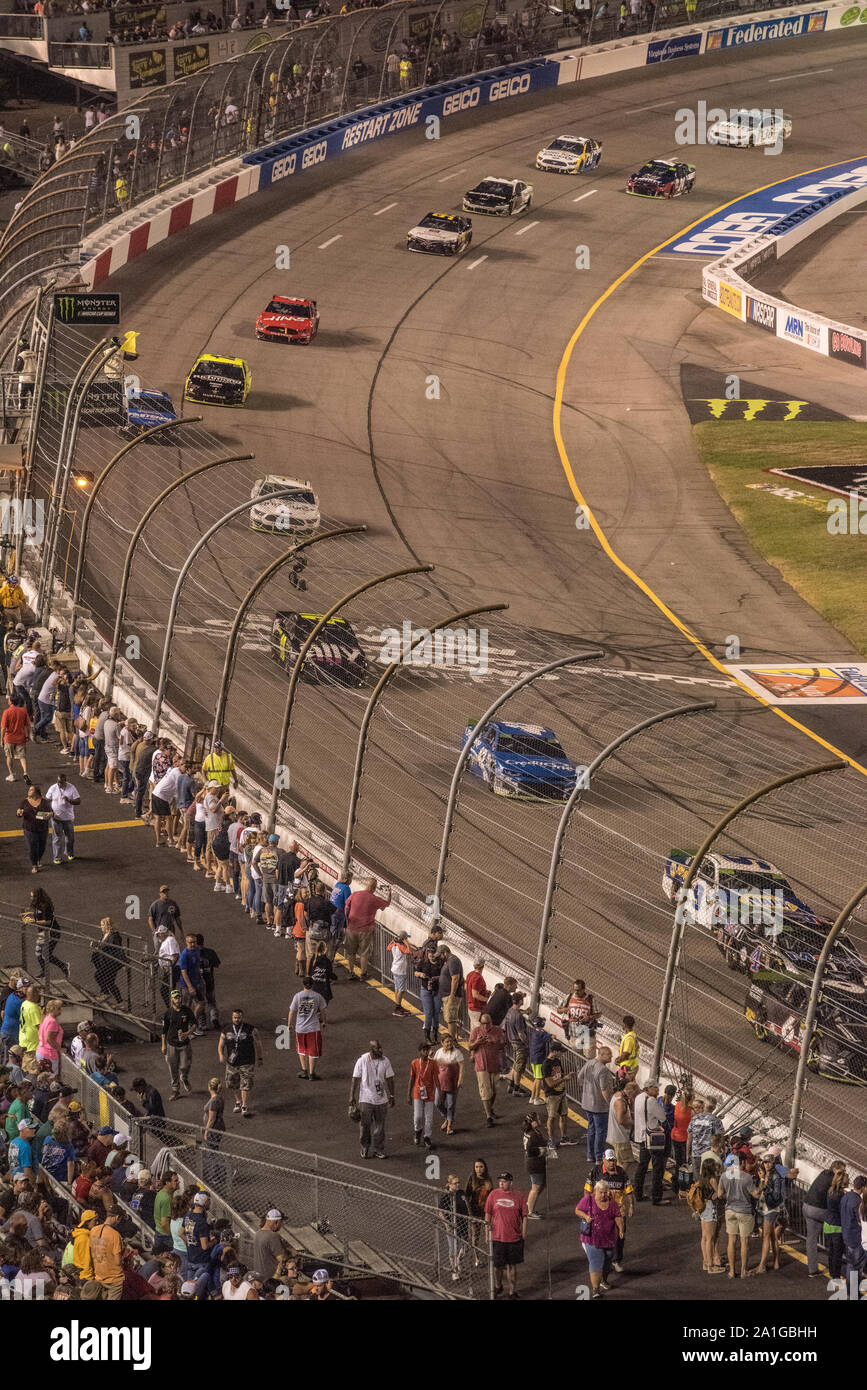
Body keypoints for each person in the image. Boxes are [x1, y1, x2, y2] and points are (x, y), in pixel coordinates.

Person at [585, 1148, 634, 1272]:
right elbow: (587, 1190)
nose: (612, 1163)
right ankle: (600, 1259)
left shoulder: (621, 1173)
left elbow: (628, 1191)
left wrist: (631, 1206)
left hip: (618, 1211)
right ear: (603, 1160)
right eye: (609, 1161)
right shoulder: (595, 1171)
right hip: (600, 1211)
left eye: (613, 1160)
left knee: (620, 1236)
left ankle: (616, 1260)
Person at [576, 1178, 624, 1298]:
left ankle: (603, 1280)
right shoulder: (588, 1200)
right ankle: (595, 1289)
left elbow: (618, 1217)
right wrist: (586, 1216)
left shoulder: (613, 1204)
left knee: (607, 1262)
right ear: (595, 1191)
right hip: (592, 1239)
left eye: (605, 1192)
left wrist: (621, 1229)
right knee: (596, 1262)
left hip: (609, 1239)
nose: (603, 1194)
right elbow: (577, 1210)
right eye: (601, 1192)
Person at [485, 1171, 527, 1299]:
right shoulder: (493, 1194)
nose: (501, 1183)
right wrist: (487, 1233)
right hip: (497, 1237)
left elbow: (524, 1216)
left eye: (504, 1181)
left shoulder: (519, 1196)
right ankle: (498, 1286)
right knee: (498, 1266)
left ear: (510, 1182)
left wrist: (524, 1232)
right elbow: (488, 1213)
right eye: (500, 1181)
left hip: (513, 1237)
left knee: (512, 1266)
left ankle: (512, 1291)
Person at [802, 1158, 847, 1278]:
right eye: (841, 1172)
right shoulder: (833, 1179)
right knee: (839, 1222)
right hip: (817, 1209)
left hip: (806, 1205)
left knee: (811, 1239)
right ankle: (838, 1255)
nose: (843, 1174)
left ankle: (812, 1270)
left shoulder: (823, 1173)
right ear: (835, 1169)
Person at [350, 1040, 394, 1160]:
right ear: (372, 1049)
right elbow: (355, 1079)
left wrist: (392, 1096)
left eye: (381, 1048)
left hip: (381, 1099)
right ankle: (365, 1147)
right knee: (365, 1125)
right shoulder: (362, 1060)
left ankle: (378, 1149)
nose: (381, 1050)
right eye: (378, 1048)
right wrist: (351, 1097)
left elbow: (390, 1079)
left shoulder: (385, 1061)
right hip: (366, 1098)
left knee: (380, 1126)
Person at [754, 1150, 796, 1275]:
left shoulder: (776, 1175)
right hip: (766, 1207)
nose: (767, 1165)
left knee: (766, 1236)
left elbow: (776, 1195)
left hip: (771, 1208)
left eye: (769, 1162)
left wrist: (788, 1173)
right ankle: (776, 1261)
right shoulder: (765, 1174)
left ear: (773, 1163)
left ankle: (762, 1265)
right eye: (765, 1162)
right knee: (772, 1237)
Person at [344, 876, 391, 981]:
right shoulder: (374, 899)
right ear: (374, 888)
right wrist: (389, 893)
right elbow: (387, 904)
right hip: (365, 930)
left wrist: (347, 920)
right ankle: (363, 973)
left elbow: (346, 905)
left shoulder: (355, 894)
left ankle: (350, 972)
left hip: (351, 927)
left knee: (351, 952)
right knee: (364, 953)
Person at [219, 1009, 262, 1118]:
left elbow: (258, 1043)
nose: (237, 1019)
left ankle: (244, 1105)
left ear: (242, 1017)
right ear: (232, 1017)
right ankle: (238, 1102)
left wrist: (260, 1058)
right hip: (232, 1063)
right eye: (235, 1017)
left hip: (247, 1062)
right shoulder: (226, 1030)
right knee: (232, 1084)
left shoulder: (251, 1029)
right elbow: (220, 1045)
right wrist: (220, 1054)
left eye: (239, 1017)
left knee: (245, 1084)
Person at [722, 1156, 759, 1280]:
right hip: (744, 1211)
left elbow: (720, 1193)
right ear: (742, 1162)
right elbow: (755, 1194)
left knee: (731, 1241)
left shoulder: (724, 1176)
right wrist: (762, 1186)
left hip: (730, 1210)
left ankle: (732, 1271)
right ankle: (743, 1271)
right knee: (744, 1242)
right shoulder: (747, 1177)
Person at [576, 1044, 614, 1162]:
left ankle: (590, 1155)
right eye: (609, 1055)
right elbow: (604, 1090)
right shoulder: (603, 1070)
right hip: (599, 1105)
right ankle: (598, 1156)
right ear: (601, 1054)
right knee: (600, 1131)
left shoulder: (589, 1063)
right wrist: (610, 1103)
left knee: (591, 1129)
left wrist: (588, 1088)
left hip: (587, 1102)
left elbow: (579, 1077)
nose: (611, 1057)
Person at [633, 1078, 668, 1205]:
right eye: (655, 1088)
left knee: (642, 1166)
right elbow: (662, 1117)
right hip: (653, 1138)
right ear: (648, 1088)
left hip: (641, 1137)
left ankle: (638, 1193)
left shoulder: (638, 1098)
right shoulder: (651, 1100)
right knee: (657, 1167)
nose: (658, 1090)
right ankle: (657, 1197)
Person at [468, 1013, 506, 1128]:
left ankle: (490, 1108)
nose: (485, 1026)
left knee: (494, 1090)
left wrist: (495, 1041)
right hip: (481, 1065)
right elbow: (470, 1046)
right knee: (485, 1092)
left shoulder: (498, 1030)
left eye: (487, 1023)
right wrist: (477, 1042)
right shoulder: (476, 1031)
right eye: (483, 1023)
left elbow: (503, 1045)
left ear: (491, 1023)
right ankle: (488, 1116)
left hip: (494, 1064)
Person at [23, 888, 69, 980]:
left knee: (45, 954)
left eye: (32, 896)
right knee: (38, 953)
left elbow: (47, 921)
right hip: (42, 932)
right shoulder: (38, 905)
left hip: (52, 933)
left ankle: (63, 966)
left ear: (38, 897)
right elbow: (38, 913)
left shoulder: (45, 906)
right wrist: (29, 914)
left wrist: (34, 922)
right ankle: (44, 972)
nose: (31, 898)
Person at [690, 1158, 725, 1274]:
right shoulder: (712, 1180)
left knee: (704, 1237)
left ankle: (705, 1262)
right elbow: (720, 1194)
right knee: (710, 1238)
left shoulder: (701, 1179)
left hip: (703, 1208)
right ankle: (711, 1266)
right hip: (710, 1208)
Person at [161, 989, 196, 1101]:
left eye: (179, 997)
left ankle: (184, 1078)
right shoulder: (168, 1013)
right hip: (171, 1044)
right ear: (171, 999)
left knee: (185, 1066)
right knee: (173, 1068)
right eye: (175, 997)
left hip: (184, 1044)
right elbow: (164, 1030)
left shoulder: (186, 1011)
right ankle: (175, 1090)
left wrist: (187, 1033)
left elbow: (195, 1024)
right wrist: (163, 1045)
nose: (178, 999)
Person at [438, 1175, 471, 1282]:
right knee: (453, 1249)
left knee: (465, 1247)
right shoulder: (446, 1196)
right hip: (452, 1225)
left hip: (463, 1223)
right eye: (455, 1183)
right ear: (449, 1184)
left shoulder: (461, 1193)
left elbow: (466, 1205)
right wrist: (447, 1224)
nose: (457, 1185)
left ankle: (458, 1262)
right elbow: (440, 1212)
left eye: (458, 1183)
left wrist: (469, 1217)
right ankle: (454, 1271)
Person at [407, 1040, 438, 1150]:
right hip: (417, 1092)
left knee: (429, 1117)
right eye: (423, 1050)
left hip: (430, 1093)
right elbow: (412, 1078)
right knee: (418, 1116)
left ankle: (427, 1137)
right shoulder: (414, 1063)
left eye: (427, 1050)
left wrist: (440, 1092)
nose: (425, 1052)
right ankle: (417, 1130)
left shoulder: (433, 1063)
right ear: (419, 1051)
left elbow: (436, 1079)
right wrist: (408, 1094)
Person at [89, 1208, 125, 1300]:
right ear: (117, 1217)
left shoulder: (93, 1230)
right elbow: (117, 1261)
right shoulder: (115, 1235)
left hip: (99, 1275)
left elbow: (91, 1251)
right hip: (114, 1279)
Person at [44, 771, 80, 864]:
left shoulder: (71, 788)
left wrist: (69, 800)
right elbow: (47, 800)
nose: (59, 784)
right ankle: (57, 858)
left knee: (70, 838)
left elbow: (78, 801)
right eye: (58, 782)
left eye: (61, 782)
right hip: (56, 818)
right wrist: (49, 811)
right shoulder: (53, 788)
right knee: (56, 838)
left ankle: (69, 853)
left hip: (68, 818)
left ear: (65, 781)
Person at [541, 1039, 571, 1148]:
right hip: (552, 1095)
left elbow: (560, 1075)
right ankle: (551, 1140)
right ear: (554, 1051)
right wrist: (564, 1079)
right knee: (552, 1117)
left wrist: (565, 1077)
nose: (561, 1053)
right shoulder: (546, 1064)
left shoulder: (557, 1061)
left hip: (561, 1093)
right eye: (560, 1051)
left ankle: (564, 1137)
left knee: (564, 1115)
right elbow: (549, 1083)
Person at [16, 783, 52, 872]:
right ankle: (34, 865)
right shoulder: (24, 802)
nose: (29, 791)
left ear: (37, 792)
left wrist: (49, 815)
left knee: (42, 847)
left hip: (42, 829)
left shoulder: (44, 802)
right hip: (29, 829)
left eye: (31, 790)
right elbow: (19, 812)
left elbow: (50, 812)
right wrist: (18, 813)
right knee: (32, 846)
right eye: (29, 790)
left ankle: (38, 859)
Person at [433, 1032, 463, 1136]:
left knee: (450, 1105)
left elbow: (462, 1067)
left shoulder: (457, 1053)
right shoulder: (438, 1052)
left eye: (450, 1041)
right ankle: (447, 1117)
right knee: (437, 1103)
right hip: (440, 1083)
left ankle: (449, 1125)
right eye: (447, 1042)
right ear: (442, 1043)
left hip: (452, 1083)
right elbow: (434, 1065)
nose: (449, 1043)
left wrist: (460, 1080)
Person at [687, 1096, 724, 1180]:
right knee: (708, 1179)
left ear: (704, 1105)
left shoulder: (694, 1118)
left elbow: (689, 1137)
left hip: (696, 1153)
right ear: (714, 1108)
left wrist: (687, 1153)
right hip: (708, 1155)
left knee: (697, 1180)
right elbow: (720, 1138)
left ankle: (697, 1192)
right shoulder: (716, 1121)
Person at [823, 1166, 849, 1282]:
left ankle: (832, 1273)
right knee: (837, 1254)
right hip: (837, 1227)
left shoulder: (830, 1191)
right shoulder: (841, 1196)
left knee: (831, 1251)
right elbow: (843, 1211)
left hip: (828, 1224)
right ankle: (836, 1276)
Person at [90, 916, 125, 1003]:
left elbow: (112, 947)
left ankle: (105, 993)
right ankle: (119, 1001)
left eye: (102, 925)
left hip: (112, 963)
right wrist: (97, 945)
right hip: (105, 962)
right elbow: (103, 945)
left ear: (107, 926)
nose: (100, 927)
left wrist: (98, 945)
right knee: (110, 983)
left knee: (98, 976)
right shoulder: (104, 934)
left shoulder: (114, 935)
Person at [561, 979, 600, 1056]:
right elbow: (558, 1009)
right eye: (574, 990)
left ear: (583, 989)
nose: (576, 992)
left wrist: (589, 1017)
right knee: (578, 1057)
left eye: (578, 990)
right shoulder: (569, 997)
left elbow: (599, 1014)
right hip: (574, 1034)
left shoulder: (591, 999)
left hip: (588, 1035)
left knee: (589, 1058)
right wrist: (564, 1009)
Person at [522, 1113, 549, 1219]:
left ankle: (530, 1203)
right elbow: (530, 1151)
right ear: (533, 1122)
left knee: (541, 1185)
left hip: (536, 1163)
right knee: (536, 1188)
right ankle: (530, 1212)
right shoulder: (533, 1134)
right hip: (534, 1164)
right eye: (537, 1119)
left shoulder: (529, 1132)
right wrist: (543, 1151)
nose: (539, 1120)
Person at [841, 1174, 866, 1281]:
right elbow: (861, 1221)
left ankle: (850, 1291)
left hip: (846, 1234)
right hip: (855, 1238)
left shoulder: (846, 1196)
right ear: (863, 1187)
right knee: (856, 1267)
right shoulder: (858, 1202)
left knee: (851, 1264)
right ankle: (854, 1292)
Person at [415, 946, 442, 1045]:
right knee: (429, 1012)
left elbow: (444, 975)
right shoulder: (423, 963)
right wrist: (420, 974)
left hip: (437, 990)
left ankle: (435, 1035)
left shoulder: (441, 964)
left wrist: (437, 978)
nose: (431, 955)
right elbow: (416, 972)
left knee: (436, 1012)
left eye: (432, 953)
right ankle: (427, 1036)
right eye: (429, 953)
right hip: (426, 990)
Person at [504, 991, 528, 1097]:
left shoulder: (510, 1011)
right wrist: (526, 1042)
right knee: (519, 1066)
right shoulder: (518, 1016)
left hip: (511, 1040)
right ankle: (517, 1089)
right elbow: (521, 1033)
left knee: (515, 1064)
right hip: (518, 1043)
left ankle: (512, 1085)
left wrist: (525, 1012)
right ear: (520, 1001)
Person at [607, 1081, 636, 1168]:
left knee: (618, 1161)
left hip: (614, 1135)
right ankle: (618, 1179)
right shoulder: (621, 1103)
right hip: (620, 1137)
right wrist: (635, 1123)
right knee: (627, 1160)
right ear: (631, 1093)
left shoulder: (617, 1095)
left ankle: (616, 1178)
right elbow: (621, 1121)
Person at [438, 945, 465, 1036]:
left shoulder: (453, 961)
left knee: (450, 1019)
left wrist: (452, 995)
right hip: (447, 995)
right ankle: (452, 1038)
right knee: (449, 1019)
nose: (440, 958)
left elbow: (455, 979)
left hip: (451, 996)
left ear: (445, 953)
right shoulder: (449, 961)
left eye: (440, 955)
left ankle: (452, 1040)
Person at [253, 1210, 285, 1280]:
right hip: (271, 1278)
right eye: (281, 1223)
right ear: (276, 1222)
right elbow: (282, 1259)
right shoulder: (273, 1236)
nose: (281, 1226)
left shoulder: (257, 1233)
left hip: (258, 1277)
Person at [527, 1015, 551, 1106]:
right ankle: (536, 1098)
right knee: (539, 1079)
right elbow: (549, 1038)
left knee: (536, 1079)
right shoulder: (542, 1034)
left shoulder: (535, 1032)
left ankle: (532, 1097)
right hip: (539, 1060)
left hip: (533, 1058)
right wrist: (551, 1035)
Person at [36, 997, 63, 1076]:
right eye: (59, 1009)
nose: (60, 1011)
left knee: (43, 1077)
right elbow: (49, 1039)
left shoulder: (46, 1018)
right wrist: (59, 1049)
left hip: (41, 1051)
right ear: (54, 1009)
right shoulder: (52, 1021)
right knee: (51, 1079)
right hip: (49, 1054)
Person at [388, 931, 412, 1017]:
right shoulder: (401, 946)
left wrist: (392, 941)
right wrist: (407, 944)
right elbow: (409, 951)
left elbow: (388, 947)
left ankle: (399, 1006)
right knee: (401, 990)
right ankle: (397, 1008)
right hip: (401, 970)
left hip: (395, 968)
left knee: (397, 988)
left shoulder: (394, 945)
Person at [671, 1086, 693, 1174]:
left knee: (677, 1159)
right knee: (683, 1161)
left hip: (675, 1134)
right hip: (684, 1138)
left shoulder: (678, 1105)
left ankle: (676, 1176)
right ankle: (681, 1179)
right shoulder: (690, 1111)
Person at [465, 957, 489, 1030]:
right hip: (477, 1007)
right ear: (483, 966)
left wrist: (483, 991)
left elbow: (466, 987)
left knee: (473, 1029)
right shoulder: (478, 978)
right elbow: (475, 994)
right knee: (479, 1028)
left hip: (470, 1006)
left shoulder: (470, 974)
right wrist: (487, 999)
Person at [615, 1014, 639, 1081]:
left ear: (625, 1025)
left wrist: (617, 1061)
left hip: (628, 1067)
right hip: (631, 1066)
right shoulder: (632, 1035)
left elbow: (626, 1054)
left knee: (625, 1086)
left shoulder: (629, 1038)